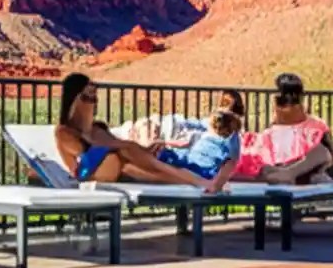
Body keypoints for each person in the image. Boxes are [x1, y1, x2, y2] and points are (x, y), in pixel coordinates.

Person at [54, 73, 216, 190]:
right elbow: (85, 157)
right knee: (127, 152)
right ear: (75, 100)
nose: (94, 102)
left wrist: (146, 148)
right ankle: (198, 181)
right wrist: (126, 145)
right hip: (87, 175)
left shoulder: (99, 128)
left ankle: (194, 182)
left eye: (95, 97)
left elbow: (112, 146)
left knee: (140, 168)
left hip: (117, 167)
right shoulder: (64, 132)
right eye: (88, 96)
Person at [237, 74, 333, 185]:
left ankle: (287, 174)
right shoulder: (270, 133)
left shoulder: (315, 128)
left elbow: (326, 156)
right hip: (281, 175)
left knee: (319, 153)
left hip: (309, 181)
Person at [155, 91, 245, 193]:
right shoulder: (219, 126)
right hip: (195, 164)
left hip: (200, 168)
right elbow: (197, 124)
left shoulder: (229, 137)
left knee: (178, 164)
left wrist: (218, 183)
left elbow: (231, 162)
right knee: (174, 159)